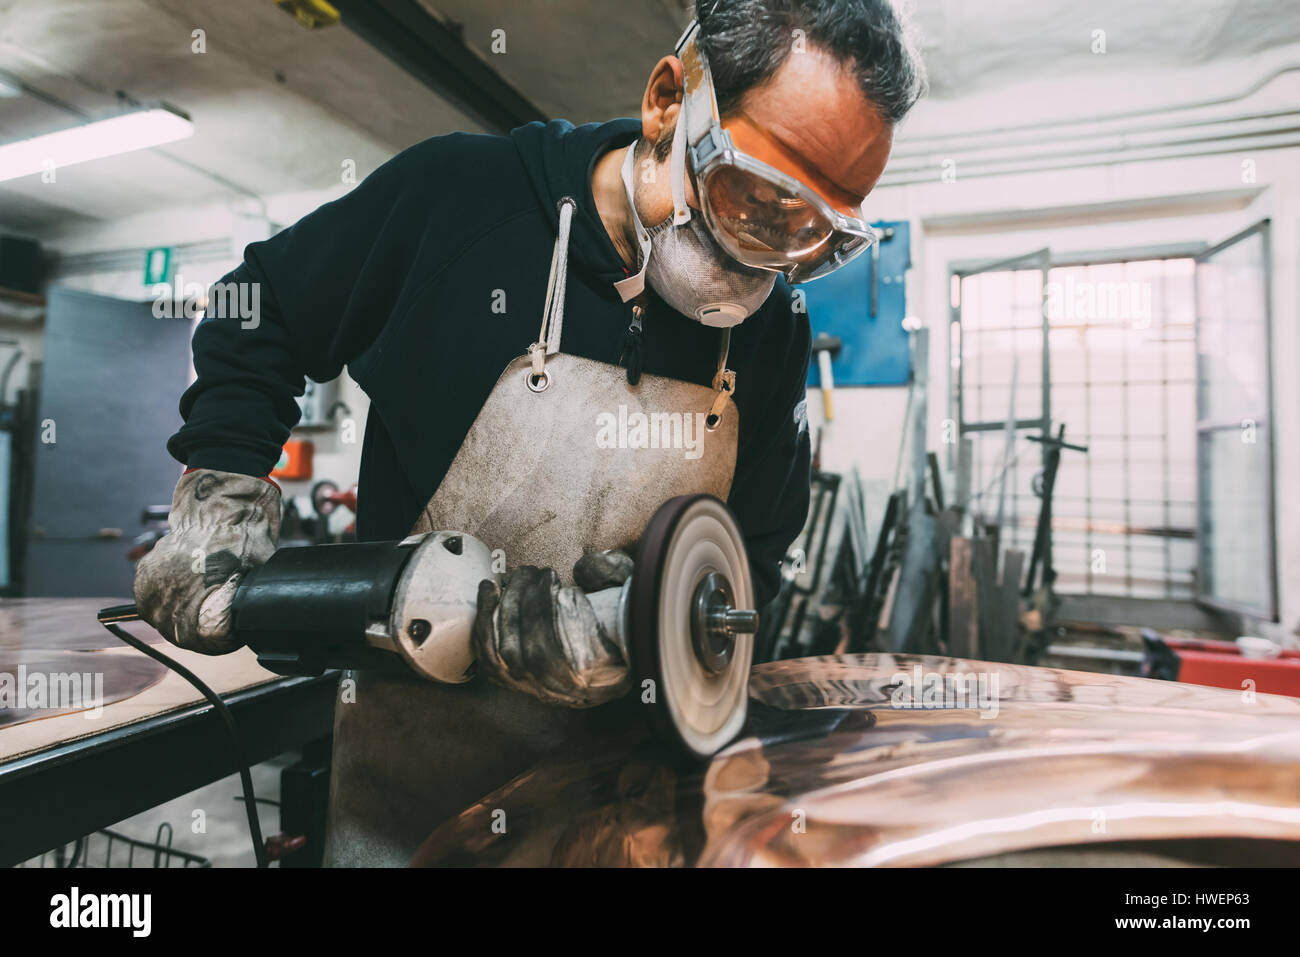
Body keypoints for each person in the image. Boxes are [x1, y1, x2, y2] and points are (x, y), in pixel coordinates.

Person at [134, 0, 926, 865]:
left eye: (816, 238)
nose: (769, 260)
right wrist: (220, 492)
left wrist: (638, 635)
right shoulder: (459, 202)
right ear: (670, 100)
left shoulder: (772, 338)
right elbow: (262, 309)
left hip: (626, 800)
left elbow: (756, 560)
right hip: (410, 792)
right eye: (757, 201)